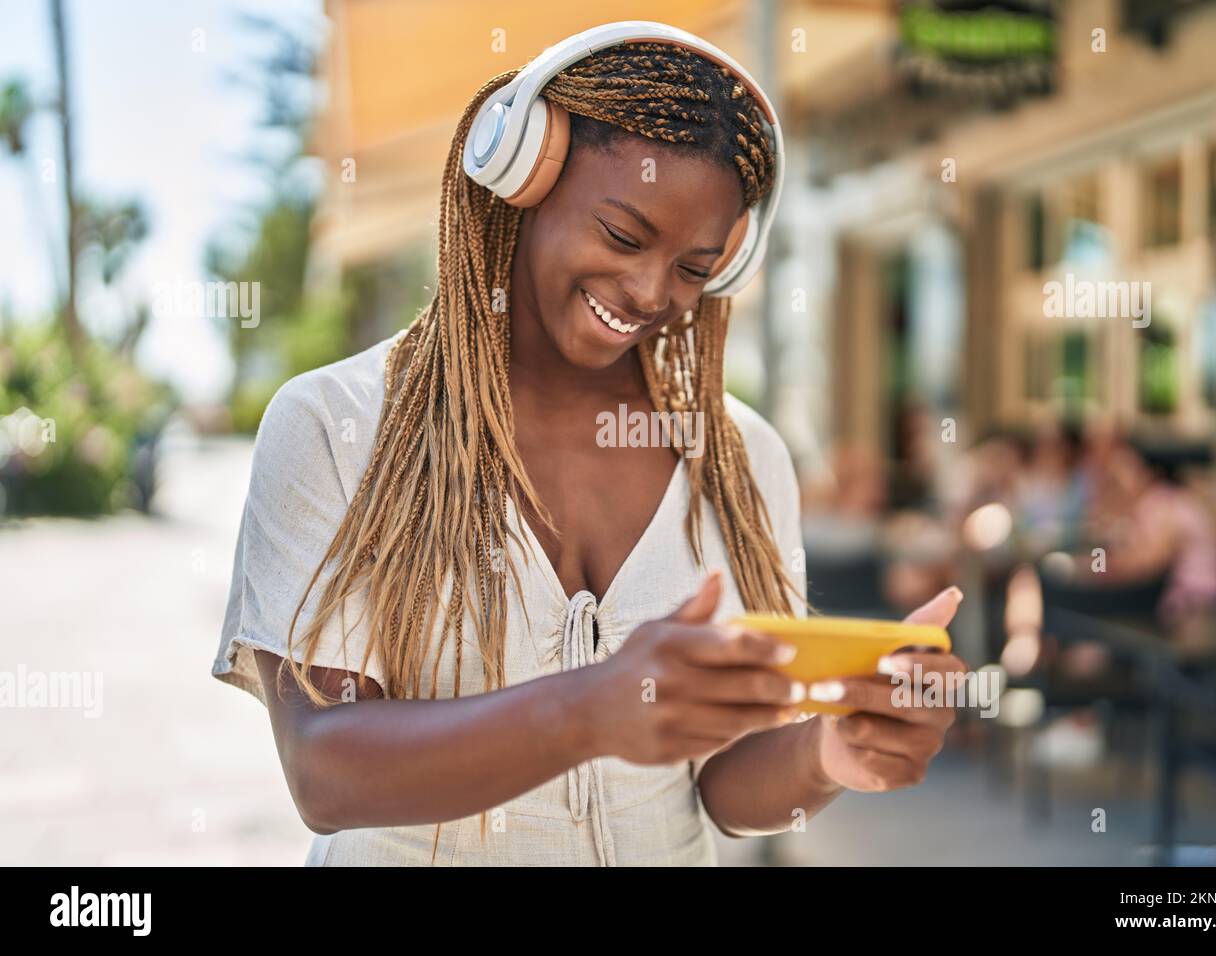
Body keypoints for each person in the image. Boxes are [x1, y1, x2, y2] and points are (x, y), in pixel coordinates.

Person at [211, 22, 967, 866]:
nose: (651, 291)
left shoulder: (745, 460)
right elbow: (325, 772)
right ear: (523, 178)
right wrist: (589, 709)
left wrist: (830, 753)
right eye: (622, 235)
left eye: (693, 266)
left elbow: (722, 786)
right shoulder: (335, 425)